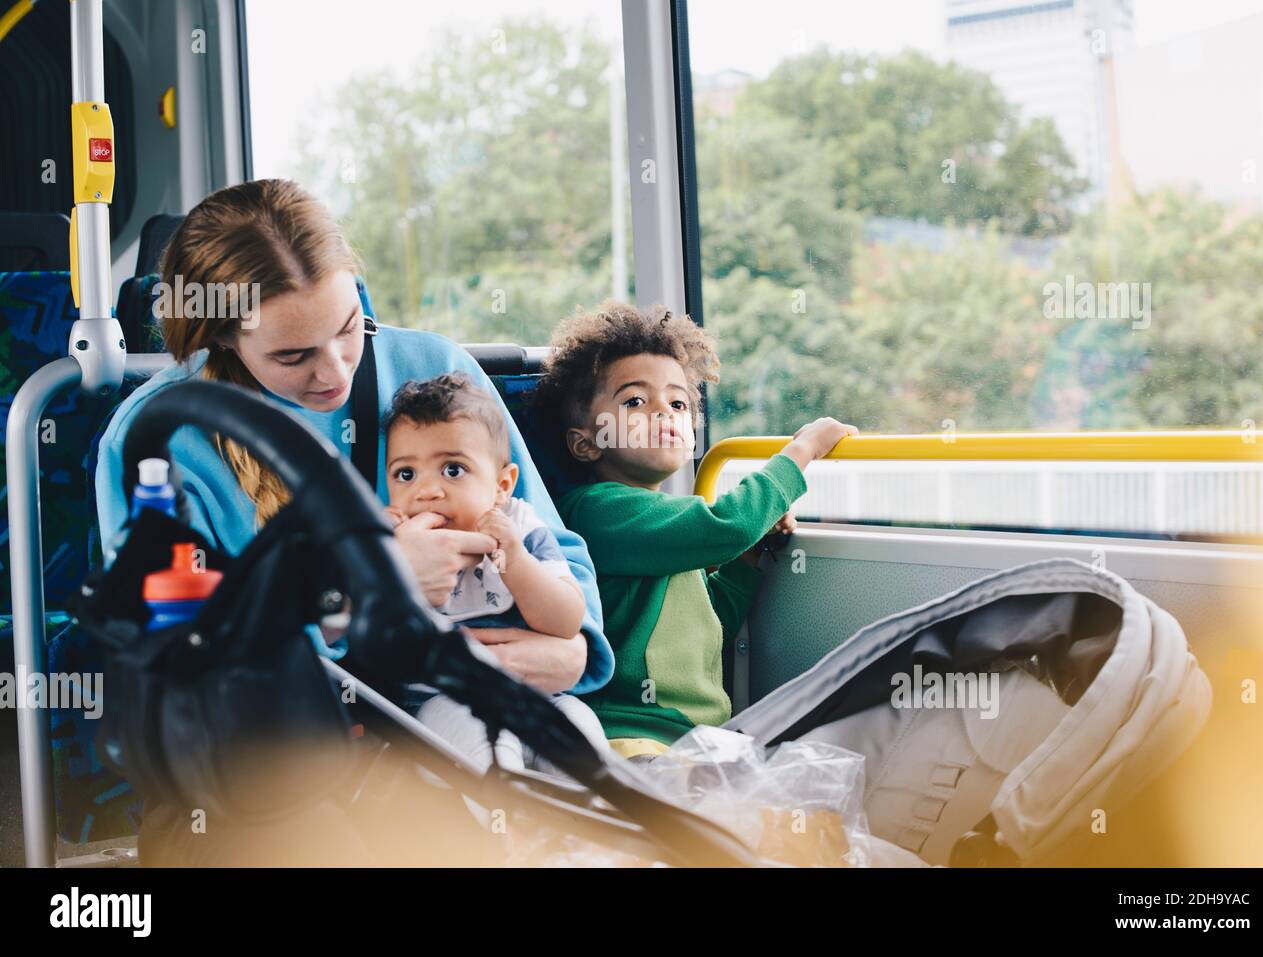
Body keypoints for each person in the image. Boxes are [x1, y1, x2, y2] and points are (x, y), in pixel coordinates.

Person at [93, 179, 614, 863]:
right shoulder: (159, 439)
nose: (334, 371)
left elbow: (551, 544)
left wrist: (572, 646)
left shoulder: (433, 368)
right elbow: (184, 663)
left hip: (444, 712)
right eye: (292, 355)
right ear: (221, 334)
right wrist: (366, 591)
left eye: (345, 330)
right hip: (263, 766)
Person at [534, 301, 856, 761]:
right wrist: (801, 452)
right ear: (585, 443)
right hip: (628, 738)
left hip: (697, 739)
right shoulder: (596, 512)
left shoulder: (666, 524)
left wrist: (745, 564)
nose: (663, 412)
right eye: (635, 401)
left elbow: (702, 630)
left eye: (678, 402)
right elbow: (728, 524)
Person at [382, 373, 608, 771]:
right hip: (438, 704)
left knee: (580, 731)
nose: (426, 491)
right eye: (406, 474)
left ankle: (588, 826)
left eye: (452, 470)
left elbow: (566, 621)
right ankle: (505, 828)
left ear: (502, 486)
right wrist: (389, 566)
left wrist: (515, 561)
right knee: (484, 739)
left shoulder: (520, 527)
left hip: (540, 695)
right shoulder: (390, 540)